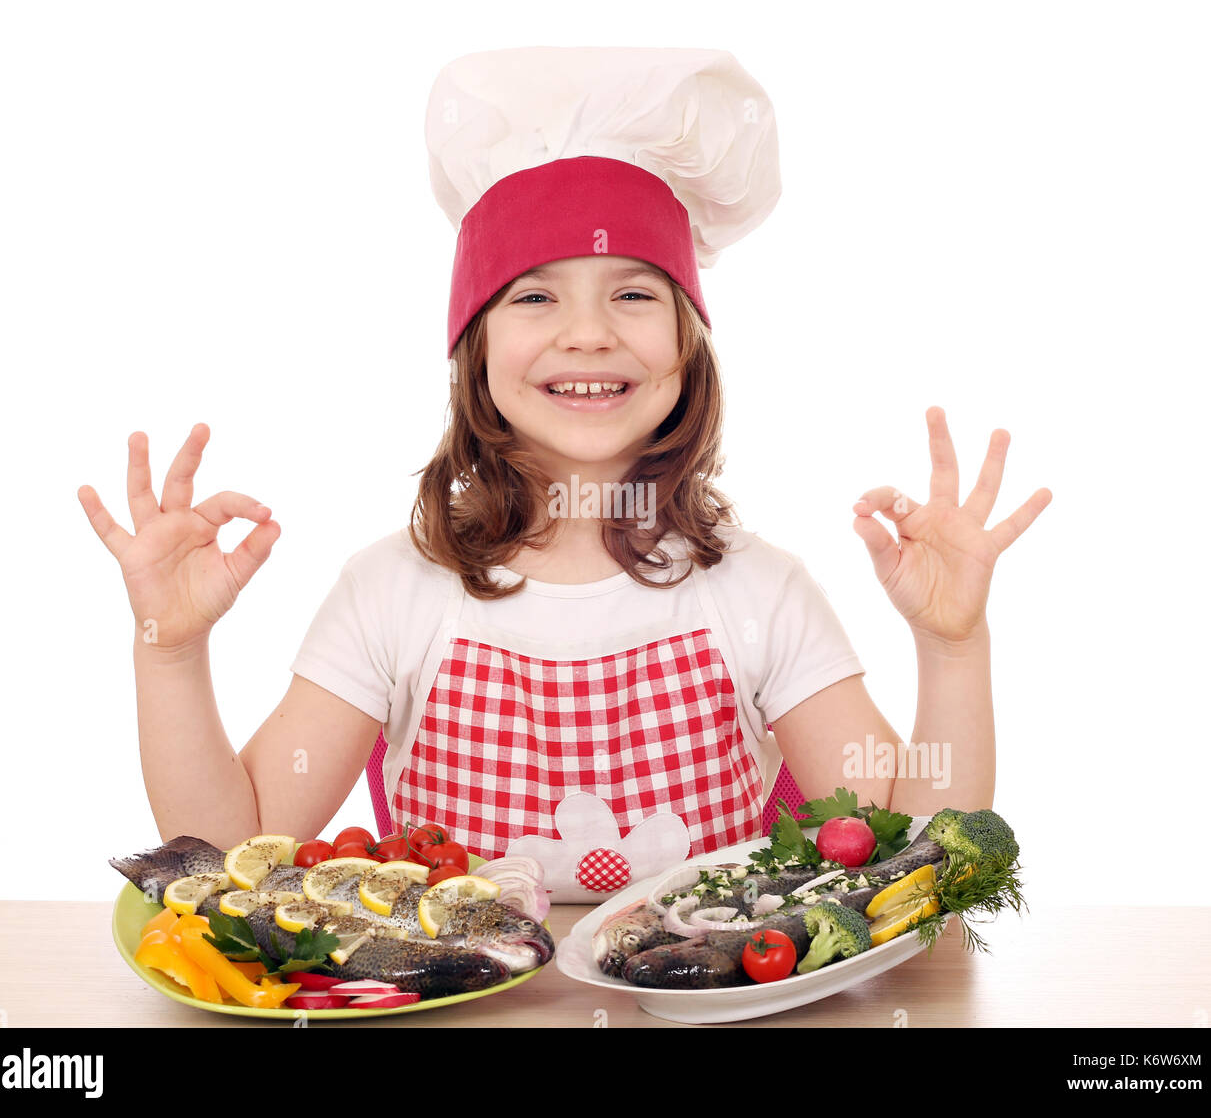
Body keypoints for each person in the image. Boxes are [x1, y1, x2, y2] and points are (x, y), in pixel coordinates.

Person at [77, 47, 1051, 902]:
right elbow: (230, 856)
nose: (588, 332)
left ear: (685, 347)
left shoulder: (759, 595)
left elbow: (912, 865)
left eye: (633, 292)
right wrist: (170, 649)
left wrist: (952, 648)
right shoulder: (391, 595)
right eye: (535, 295)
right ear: (476, 348)